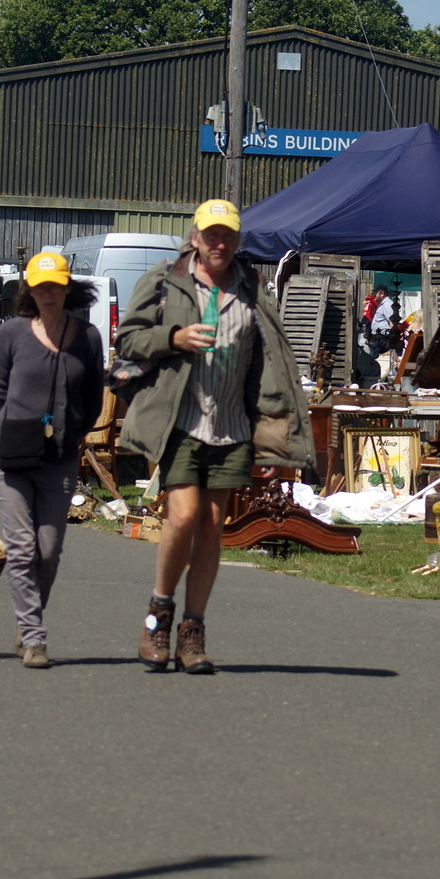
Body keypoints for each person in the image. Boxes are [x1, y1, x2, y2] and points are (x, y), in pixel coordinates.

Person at [115, 198, 315, 674]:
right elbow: (127, 340)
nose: (219, 242)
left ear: (237, 240)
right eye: (211, 235)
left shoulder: (251, 289)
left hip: (231, 427)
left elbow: (267, 371)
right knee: (182, 517)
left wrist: (269, 439)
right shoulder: (167, 279)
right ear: (195, 238)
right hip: (180, 420)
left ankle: (192, 633)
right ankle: (157, 617)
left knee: (211, 526)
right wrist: (174, 339)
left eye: (227, 235)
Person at [0, 251, 103, 669]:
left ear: (67, 289)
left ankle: (28, 621)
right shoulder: (12, 333)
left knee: (48, 551)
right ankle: (33, 637)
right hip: (10, 455)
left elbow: (94, 399)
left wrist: (74, 435)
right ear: (29, 290)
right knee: (23, 547)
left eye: (55, 286)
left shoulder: (88, 337)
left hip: (59, 457)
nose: (48, 293)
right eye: (40, 286)